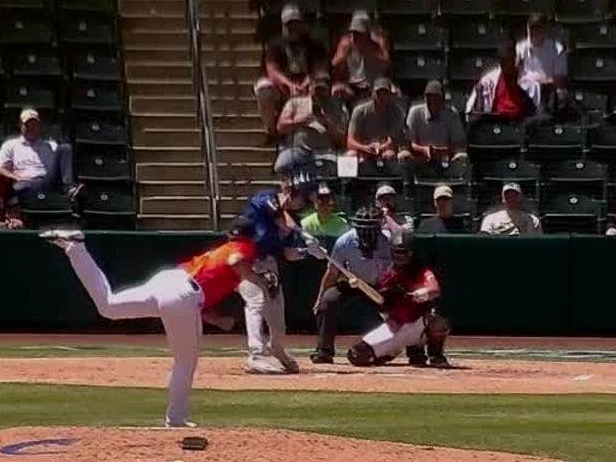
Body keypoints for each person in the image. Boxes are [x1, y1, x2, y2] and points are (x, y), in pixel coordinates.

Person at [42, 225, 260, 429]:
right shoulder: (242, 246)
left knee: (109, 307)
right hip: (182, 294)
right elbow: (236, 261)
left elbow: (192, 302)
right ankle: (175, 420)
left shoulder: (219, 251)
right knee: (185, 363)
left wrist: (217, 320)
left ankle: (76, 248)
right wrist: (259, 279)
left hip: (169, 282)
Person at [235, 169, 322, 375]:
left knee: (277, 313)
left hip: (268, 264)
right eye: (303, 198)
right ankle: (256, 354)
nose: (304, 204)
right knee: (256, 302)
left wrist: (307, 252)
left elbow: (288, 254)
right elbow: (278, 216)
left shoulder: (292, 222)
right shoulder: (265, 197)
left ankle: (277, 349)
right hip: (244, 259)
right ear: (293, 192)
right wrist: (302, 233)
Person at [346, 229, 450, 368]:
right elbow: (377, 300)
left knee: (438, 320)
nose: (401, 257)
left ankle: (435, 355)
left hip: (418, 326)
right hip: (395, 326)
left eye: (405, 253)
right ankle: (390, 351)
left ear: (412, 253)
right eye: (397, 252)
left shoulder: (421, 271)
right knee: (357, 355)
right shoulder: (387, 275)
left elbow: (435, 290)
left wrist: (422, 293)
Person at [311, 206, 393, 364]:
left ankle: (409, 352)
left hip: (381, 285)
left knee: (405, 307)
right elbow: (332, 273)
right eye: (363, 227)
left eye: (371, 227)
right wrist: (320, 298)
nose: (367, 232)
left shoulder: (390, 241)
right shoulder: (344, 241)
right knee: (328, 301)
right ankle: (324, 350)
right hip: (353, 283)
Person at [255, 4, 328, 139]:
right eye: (289, 24)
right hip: (282, 87)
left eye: (296, 23)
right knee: (263, 88)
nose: (293, 28)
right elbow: (272, 71)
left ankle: (321, 127)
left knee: (321, 80)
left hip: (307, 86)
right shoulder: (275, 45)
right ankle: (271, 130)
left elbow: (319, 67)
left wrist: (307, 82)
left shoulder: (313, 44)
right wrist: (289, 84)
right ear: (283, 25)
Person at [465, 41, 540, 121]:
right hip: (496, 122)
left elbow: (535, 114)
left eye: (509, 59)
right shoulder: (487, 82)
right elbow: (470, 113)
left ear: (515, 59)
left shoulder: (530, 84)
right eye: (503, 61)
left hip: (519, 123)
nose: (506, 64)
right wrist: (479, 96)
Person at [330, 12, 391, 104]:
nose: (355, 37)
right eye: (353, 33)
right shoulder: (346, 43)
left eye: (359, 33)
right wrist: (343, 56)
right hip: (352, 86)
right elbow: (334, 65)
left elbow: (387, 65)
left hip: (374, 85)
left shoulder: (378, 43)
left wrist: (369, 52)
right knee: (336, 91)